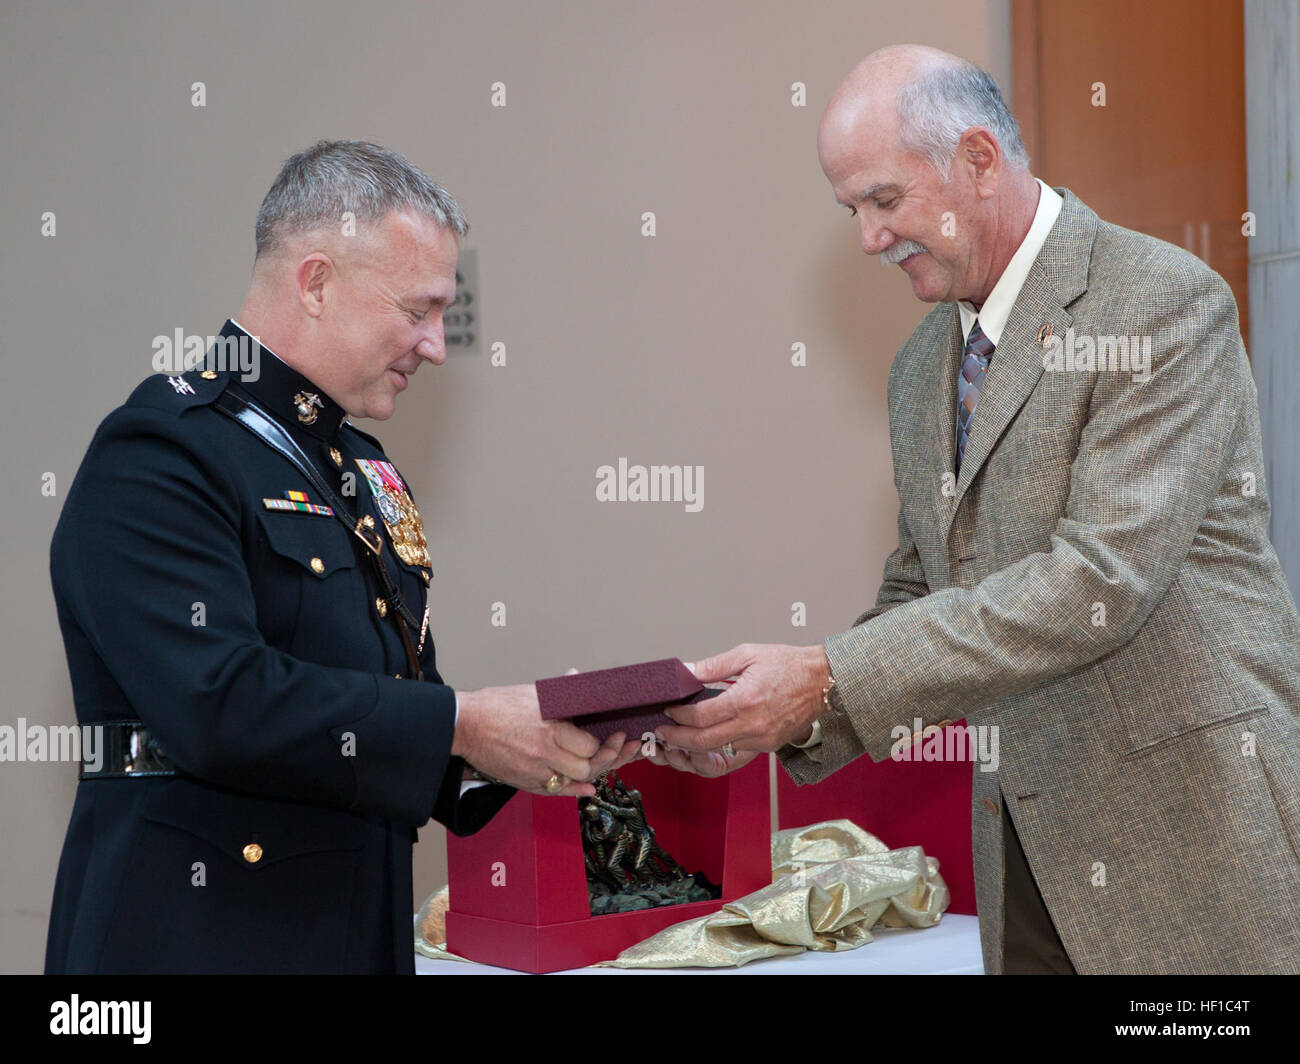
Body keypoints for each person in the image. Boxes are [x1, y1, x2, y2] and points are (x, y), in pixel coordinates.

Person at [654, 46, 1300, 974]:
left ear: (980, 160)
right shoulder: (922, 366)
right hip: (1022, 859)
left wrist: (827, 674)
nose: (869, 239)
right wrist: (773, 718)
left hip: (1189, 845)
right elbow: (923, 584)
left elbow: (1097, 585)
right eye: (853, 212)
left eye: (884, 201)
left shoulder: (1160, 303)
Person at [45, 140, 632, 974]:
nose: (436, 344)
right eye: (418, 309)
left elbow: (386, 708)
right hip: (196, 938)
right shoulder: (161, 454)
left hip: (350, 932)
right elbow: (218, 706)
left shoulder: (356, 465)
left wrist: (549, 745)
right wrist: (465, 722)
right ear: (315, 282)